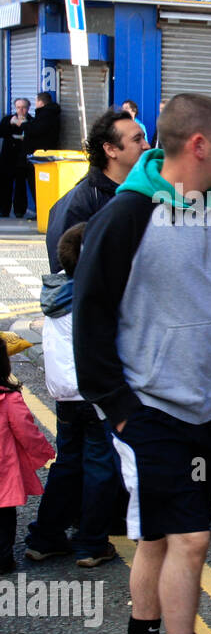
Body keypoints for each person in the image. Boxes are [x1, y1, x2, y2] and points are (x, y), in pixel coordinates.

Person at [74, 92, 211, 634]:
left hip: (210, 409)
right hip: (149, 410)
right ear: (199, 145)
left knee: (156, 536)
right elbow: (88, 314)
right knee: (191, 541)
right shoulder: (126, 217)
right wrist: (120, 410)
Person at [23, 223, 121, 568]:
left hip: (64, 393)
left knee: (67, 464)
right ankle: (92, 543)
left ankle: (44, 537)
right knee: (100, 467)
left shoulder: (57, 289)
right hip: (92, 392)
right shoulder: (93, 293)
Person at [45, 109, 149, 271]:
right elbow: (68, 273)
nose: (147, 146)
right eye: (137, 140)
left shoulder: (146, 191)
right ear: (110, 149)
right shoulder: (79, 203)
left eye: (144, 137)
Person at [0, 347, 56, 575]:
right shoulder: (8, 399)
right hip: (2, 471)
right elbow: (27, 433)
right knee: (3, 518)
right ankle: (3, 559)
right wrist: (44, 453)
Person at [0, 98, 34, 218]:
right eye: (18, 107)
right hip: (8, 158)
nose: (21, 110)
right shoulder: (7, 119)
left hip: (21, 158)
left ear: (28, 108)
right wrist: (10, 124)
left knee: (20, 186)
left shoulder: (31, 121)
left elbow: (33, 135)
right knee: (5, 185)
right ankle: (4, 210)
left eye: (23, 107)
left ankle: (20, 210)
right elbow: (2, 132)